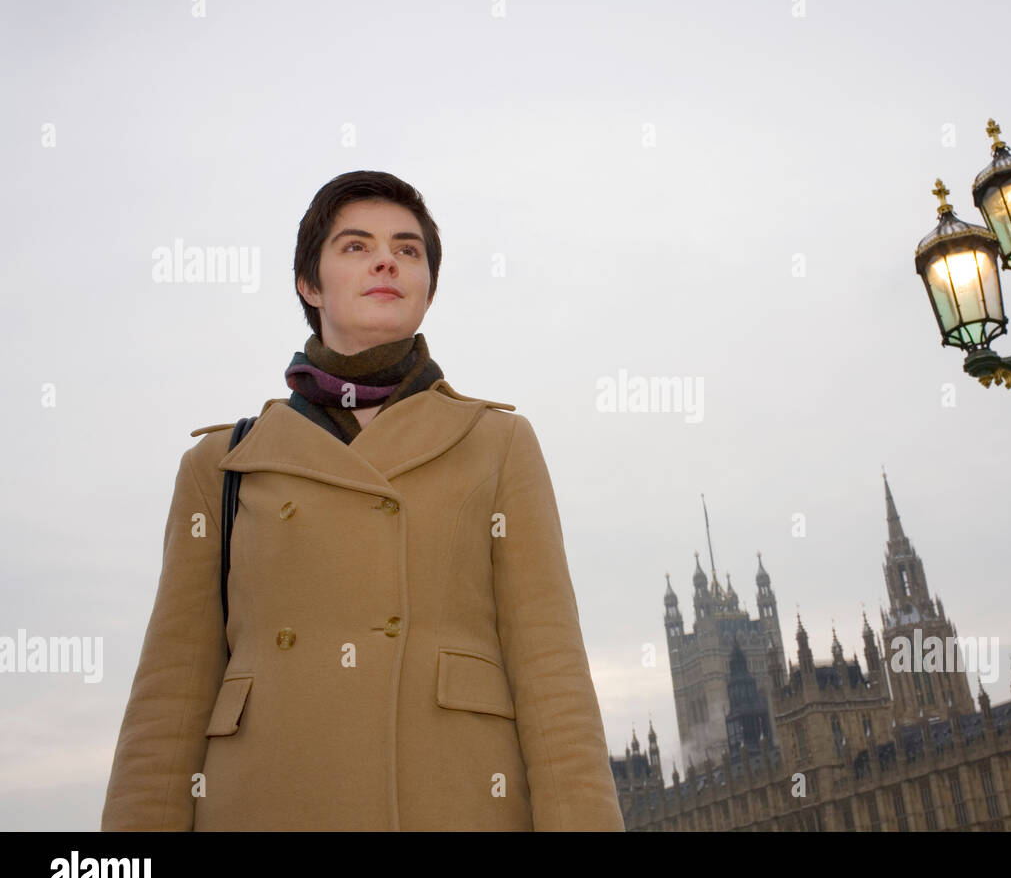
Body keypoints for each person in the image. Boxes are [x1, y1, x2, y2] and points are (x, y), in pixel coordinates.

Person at [101, 171, 625, 831]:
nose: (387, 259)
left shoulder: (499, 444)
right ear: (309, 285)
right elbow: (167, 704)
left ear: (427, 289)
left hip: (455, 804)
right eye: (356, 246)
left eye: (408, 250)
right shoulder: (221, 465)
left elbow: (554, 681)